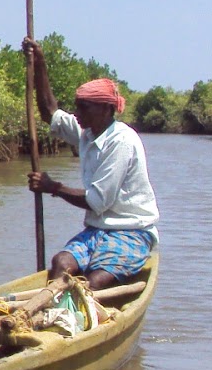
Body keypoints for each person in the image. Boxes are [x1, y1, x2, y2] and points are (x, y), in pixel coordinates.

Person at [22, 39, 160, 289]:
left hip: (131, 232)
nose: (77, 113)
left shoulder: (121, 141)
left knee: (96, 280)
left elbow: (97, 201)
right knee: (60, 262)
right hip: (97, 230)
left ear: (106, 109)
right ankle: (51, 312)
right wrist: (39, 62)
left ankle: (84, 317)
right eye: (77, 107)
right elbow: (49, 111)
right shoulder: (87, 131)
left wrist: (53, 187)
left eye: (84, 107)